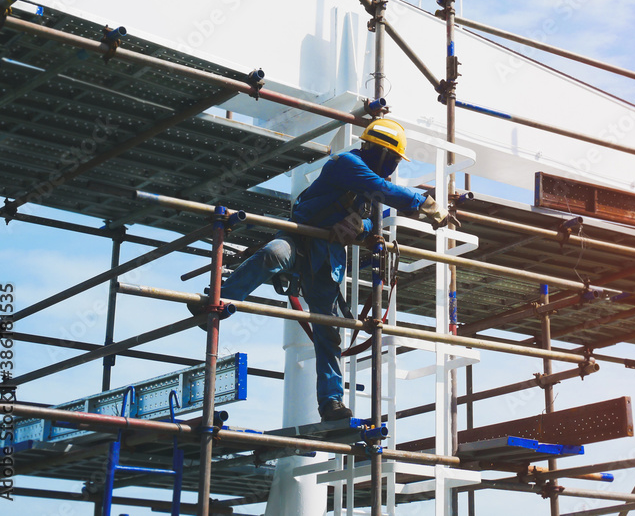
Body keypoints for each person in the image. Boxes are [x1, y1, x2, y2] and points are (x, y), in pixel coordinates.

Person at [191, 118, 452, 422]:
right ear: (378, 152)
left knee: (328, 333)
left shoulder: (366, 186)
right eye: (393, 158)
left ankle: (331, 403)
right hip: (300, 238)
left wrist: (361, 225)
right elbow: (382, 188)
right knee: (273, 255)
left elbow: (373, 217)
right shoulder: (346, 163)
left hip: (327, 257)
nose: (394, 165)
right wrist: (426, 203)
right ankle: (217, 301)